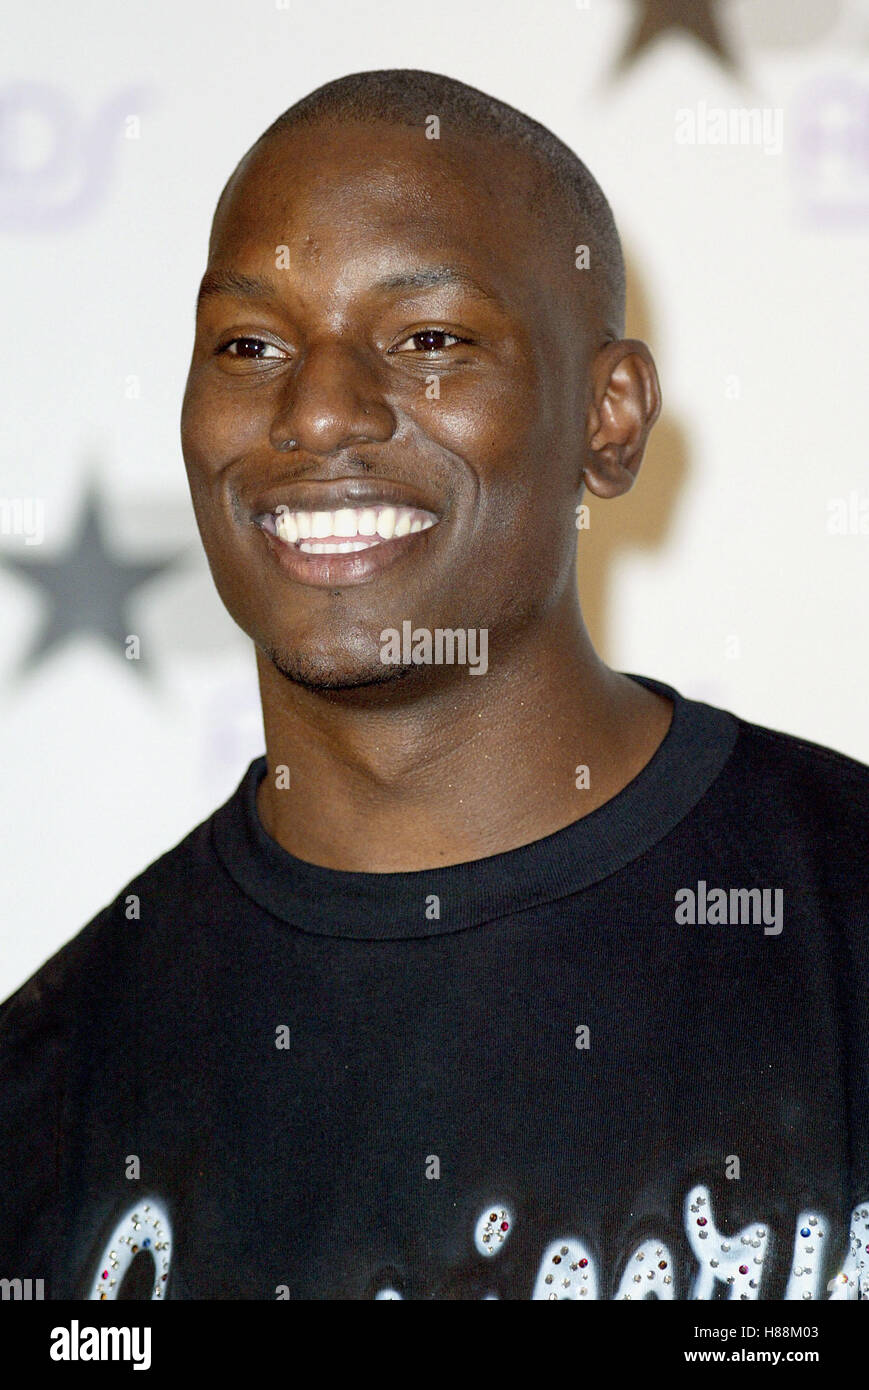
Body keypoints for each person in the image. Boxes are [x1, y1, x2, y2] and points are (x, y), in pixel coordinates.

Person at [1, 69, 867, 1302]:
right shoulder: (47, 1092)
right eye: (250, 345)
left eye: (428, 341)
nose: (319, 409)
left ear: (608, 418)